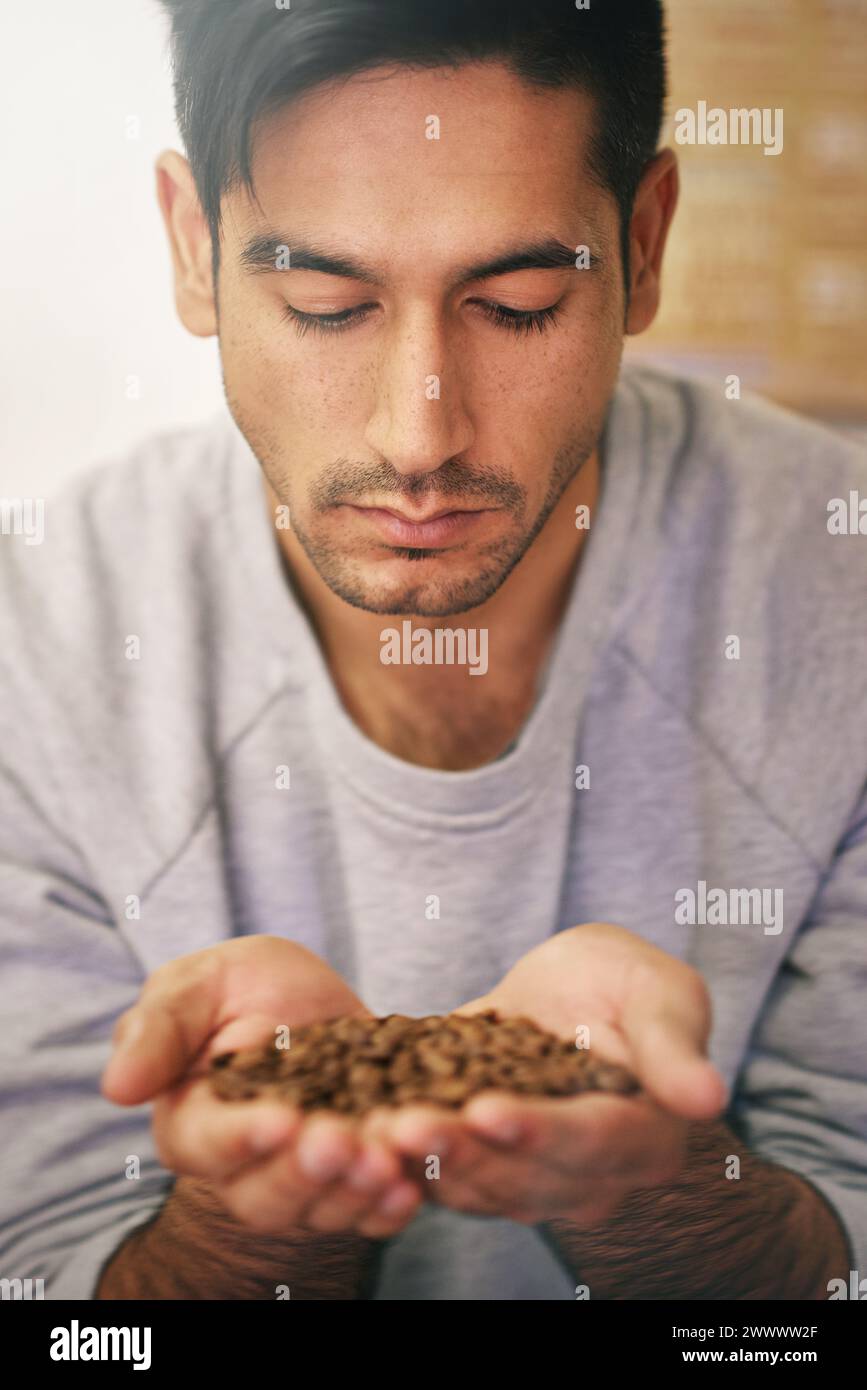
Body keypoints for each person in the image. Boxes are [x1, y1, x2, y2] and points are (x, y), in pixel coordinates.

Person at [1, 0, 865, 1302]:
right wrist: (250, 1228)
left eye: (516, 306)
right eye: (326, 303)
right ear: (195, 248)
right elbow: (52, 1291)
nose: (421, 436)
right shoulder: (42, 640)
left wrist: (666, 1193)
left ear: (643, 241)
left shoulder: (840, 592)